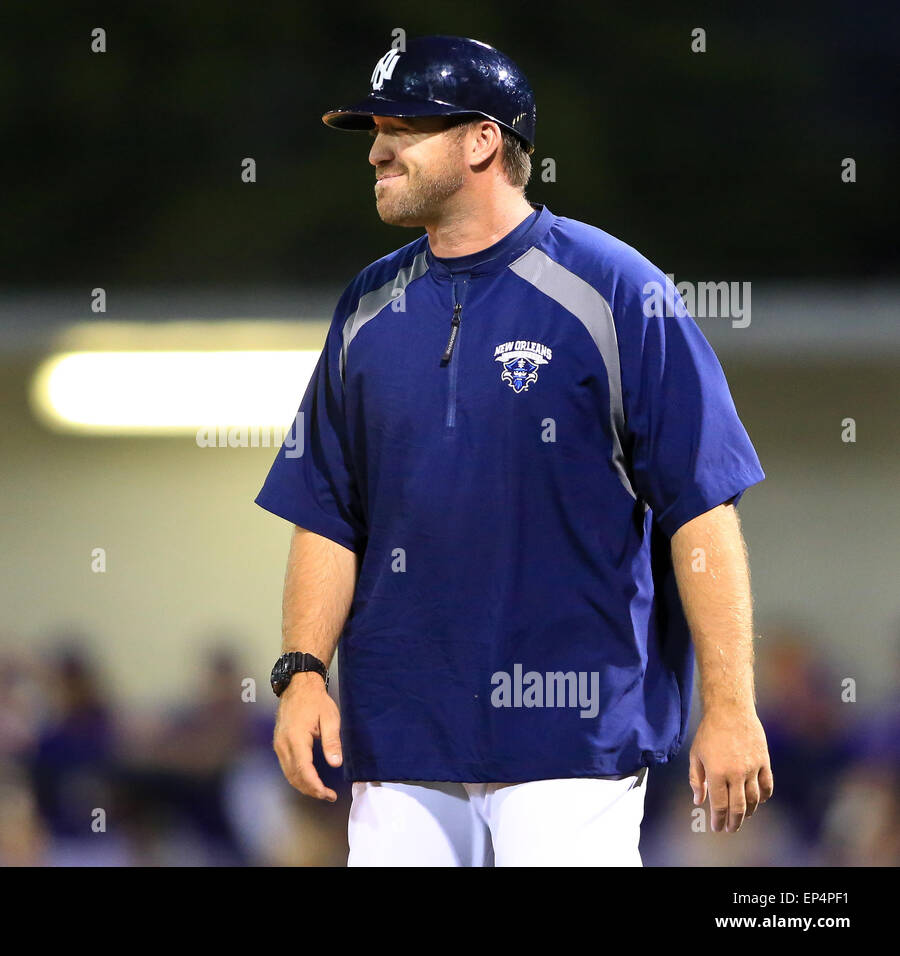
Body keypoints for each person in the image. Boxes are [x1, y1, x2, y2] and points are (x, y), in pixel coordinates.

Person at [256, 35, 773, 865]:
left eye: (403, 127)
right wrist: (303, 673)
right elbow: (327, 511)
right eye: (376, 130)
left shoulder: (614, 288)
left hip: (572, 734)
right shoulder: (365, 305)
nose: (378, 150)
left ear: (483, 140)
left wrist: (732, 705)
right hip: (402, 733)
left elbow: (700, 510)